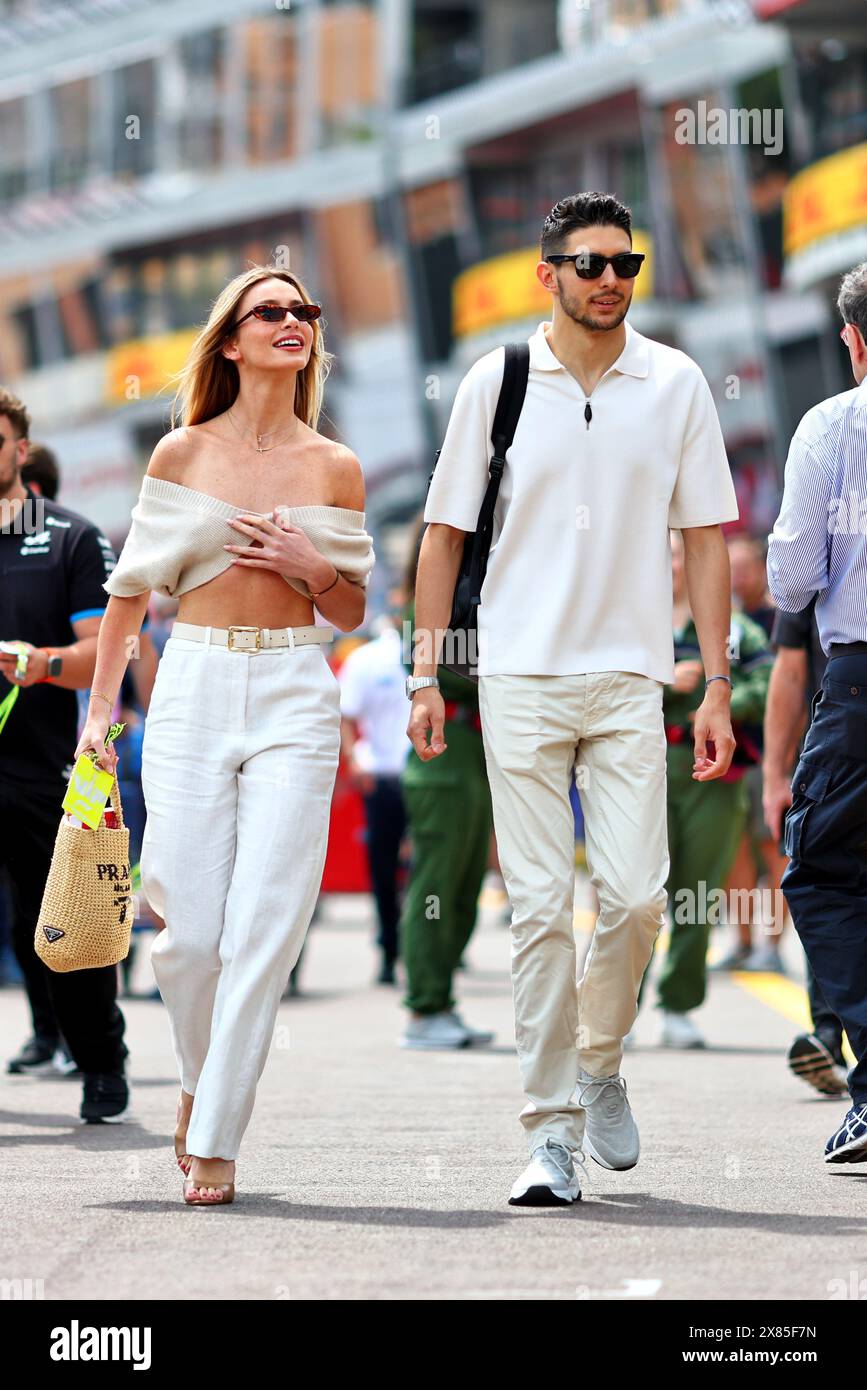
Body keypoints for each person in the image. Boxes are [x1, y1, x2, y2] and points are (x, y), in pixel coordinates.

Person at [411, 191, 739, 1206]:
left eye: (624, 264)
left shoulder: (677, 382)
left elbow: (706, 541)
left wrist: (718, 679)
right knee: (542, 910)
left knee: (640, 896)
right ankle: (549, 1130)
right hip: (517, 675)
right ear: (544, 274)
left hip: (633, 677)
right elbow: (444, 536)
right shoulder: (497, 381)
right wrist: (427, 671)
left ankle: (599, 1061)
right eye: (588, 264)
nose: (608, 280)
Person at [75, 264, 374, 1205]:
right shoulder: (181, 454)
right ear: (232, 339)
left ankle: (216, 1136)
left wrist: (309, 566)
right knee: (187, 937)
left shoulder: (336, 465)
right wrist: (99, 712)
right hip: (196, 681)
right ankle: (200, 1078)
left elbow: (353, 611)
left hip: (293, 683)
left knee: (265, 929)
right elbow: (129, 594)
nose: (293, 322)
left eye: (304, 312)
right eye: (270, 312)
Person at [0, 386, 129, 1117]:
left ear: (21, 450)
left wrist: (37, 662)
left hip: (47, 766)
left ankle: (100, 1063)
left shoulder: (71, 536)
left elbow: (104, 654)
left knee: (62, 923)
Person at [767, 259, 867, 1163]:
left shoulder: (833, 425)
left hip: (862, 682)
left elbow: (793, 578)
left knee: (822, 873)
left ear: (851, 341)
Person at [638, 531, 772, 1049]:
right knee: (631, 892)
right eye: (663, 556)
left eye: (678, 556)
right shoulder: (628, 627)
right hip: (639, 766)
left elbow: (768, 685)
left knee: (696, 893)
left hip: (709, 772)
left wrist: (718, 703)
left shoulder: (732, 631)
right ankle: (616, 1010)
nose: (672, 567)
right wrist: (664, 681)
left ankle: (679, 1004)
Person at [399, 514, 494, 1049]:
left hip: (473, 756)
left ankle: (441, 1000)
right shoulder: (424, 614)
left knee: (462, 889)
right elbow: (446, 673)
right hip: (444, 759)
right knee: (435, 887)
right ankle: (424, 1005)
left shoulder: (468, 602)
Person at [763, 597, 848, 1097]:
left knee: (823, 885)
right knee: (823, 884)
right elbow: (790, 671)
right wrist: (775, 775)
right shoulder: (813, 573)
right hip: (826, 754)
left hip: (833, 748)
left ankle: (829, 1036)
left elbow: (790, 674)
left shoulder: (817, 547)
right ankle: (826, 1036)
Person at [714, 533, 788, 973]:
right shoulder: (722, 621)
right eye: (731, 567)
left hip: (773, 753)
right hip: (733, 756)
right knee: (735, 849)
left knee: (775, 847)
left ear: (763, 570)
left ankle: (773, 947)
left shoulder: (786, 619)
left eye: (745, 567)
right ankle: (741, 942)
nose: (738, 576)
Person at [338, 593, 410, 984]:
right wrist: (354, 760)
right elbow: (346, 717)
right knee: (384, 869)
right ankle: (390, 946)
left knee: (420, 867)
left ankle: (418, 943)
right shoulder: (368, 659)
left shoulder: (443, 653)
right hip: (383, 777)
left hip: (423, 776)